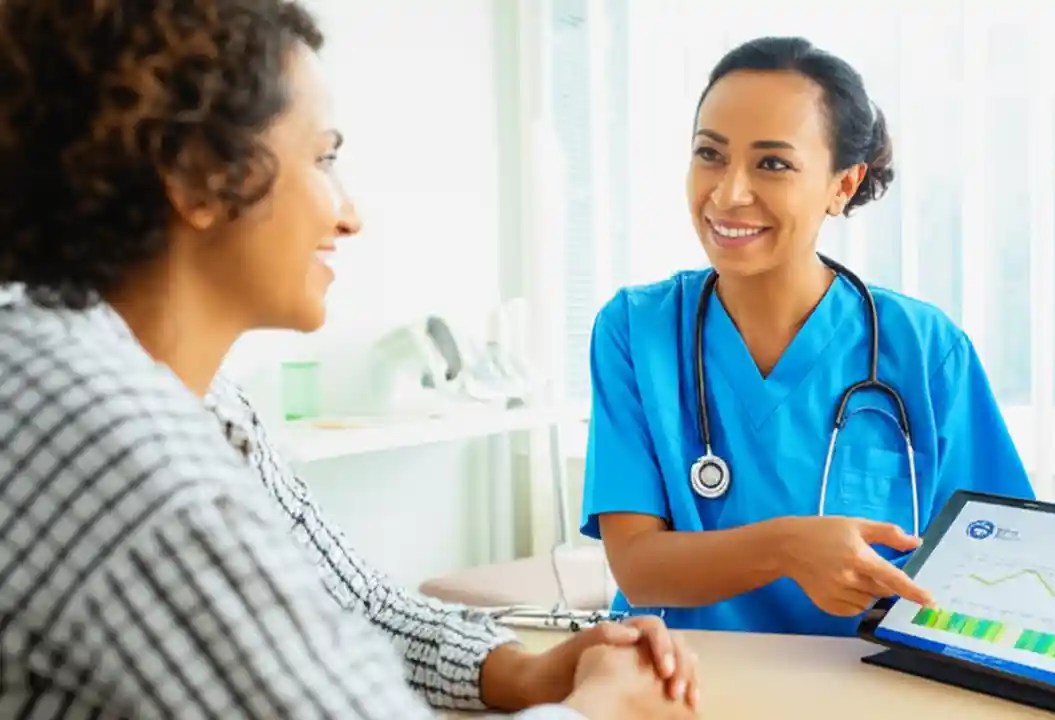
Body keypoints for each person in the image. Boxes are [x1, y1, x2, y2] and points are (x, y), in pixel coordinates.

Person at [0, 1, 697, 718]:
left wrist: (526, 674)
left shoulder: (182, 398)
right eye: (322, 158)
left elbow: (357, 605)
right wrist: (601, 711)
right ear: (196, 177)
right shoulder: (127, 454)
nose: (348, 213)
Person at [580, 36, 1055, 636]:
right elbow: (641, 569)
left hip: (865, 683)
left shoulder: (924, 348)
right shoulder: (636, 329)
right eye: (710, 154)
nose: (728, 192)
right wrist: (787, 546)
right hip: (685, 678)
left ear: (842, 185)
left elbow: (974, 563)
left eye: (772, 163)